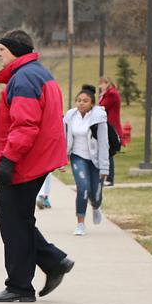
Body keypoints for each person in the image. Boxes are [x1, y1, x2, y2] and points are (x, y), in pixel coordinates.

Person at [0, 29, 71, 303]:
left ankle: (20, 285)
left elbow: (26, 126)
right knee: (16, 218)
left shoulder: (23, 79)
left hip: (26, 161)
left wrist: (8, 161)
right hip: (35, 158)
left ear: (14, 50)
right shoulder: (35, 74)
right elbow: (22, 116)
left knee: (13, 219)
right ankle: (51, 261)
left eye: (1, 49)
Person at [63, 86, 109, 236]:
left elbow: (103, 143)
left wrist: (104, 168)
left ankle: (96, 207)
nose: (81, 103)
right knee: (83, 188)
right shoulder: (70, 116)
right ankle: (80, 223)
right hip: (78, 157)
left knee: (95, 194)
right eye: (79, 100)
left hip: (95, 159)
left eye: (85, 101)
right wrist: (62, 159)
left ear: (92, 103)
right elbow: (63, 139)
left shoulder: (99, 118)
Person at [97, 75, 123, 184]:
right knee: (106, 152)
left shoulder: (111, 94)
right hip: (108, 126)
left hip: (111, 126)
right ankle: (106, 177)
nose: (100, 86)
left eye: (101, 84)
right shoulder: (108, 94)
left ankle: (109, 178)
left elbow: (102, 107)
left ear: (107, 83)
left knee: (108, 152)